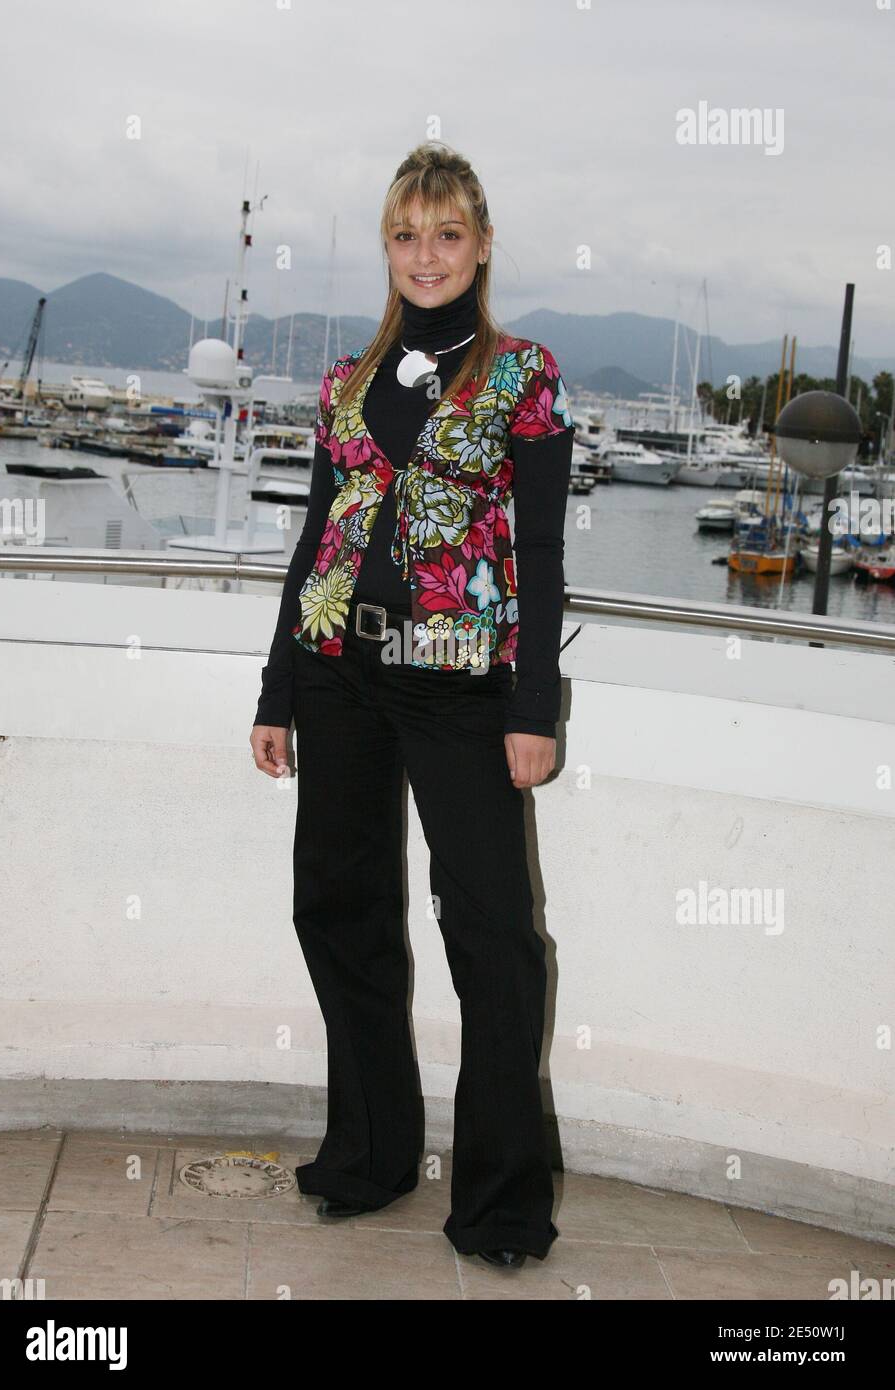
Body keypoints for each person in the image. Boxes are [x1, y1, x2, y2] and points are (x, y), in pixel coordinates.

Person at [251, 141, 574, 1269]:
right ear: (386, 247)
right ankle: (370, 1156)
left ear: (480, 246)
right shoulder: (346, 382)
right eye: (405, 234)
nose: (424, 254)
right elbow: (316, 542)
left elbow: (537, 547)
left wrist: (535, 707)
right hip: (337, 673)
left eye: (446, 234)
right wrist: (278, 687)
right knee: (337, 909)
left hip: (459, 684)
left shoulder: (524, 376)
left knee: (492, 935)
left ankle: (496, 1205)